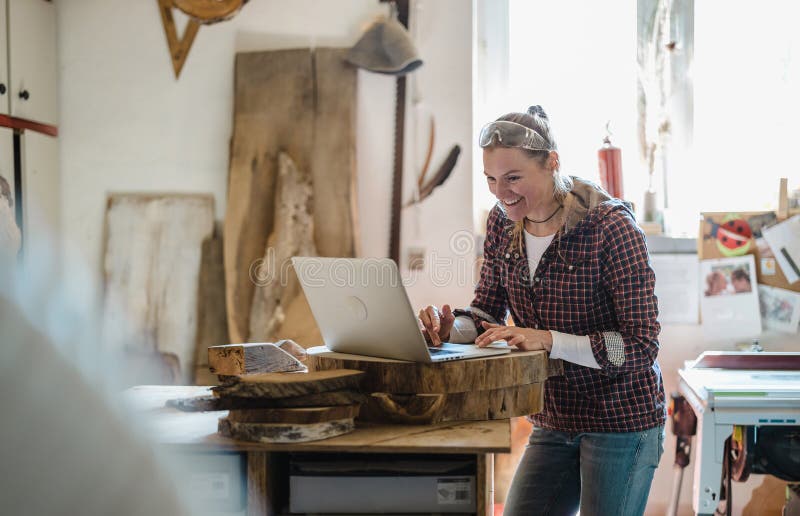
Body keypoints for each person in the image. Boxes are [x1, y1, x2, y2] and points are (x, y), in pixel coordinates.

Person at [418, 106, 665, 516]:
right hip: (553, 417)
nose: (501, 192)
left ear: (552, 163)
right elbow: (487, 312)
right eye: (491, 180)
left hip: (621, 419)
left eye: (513, 178)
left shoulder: (610, 228)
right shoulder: (502, 224)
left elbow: (640, 348)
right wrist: (450, 328)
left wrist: (549, 340)